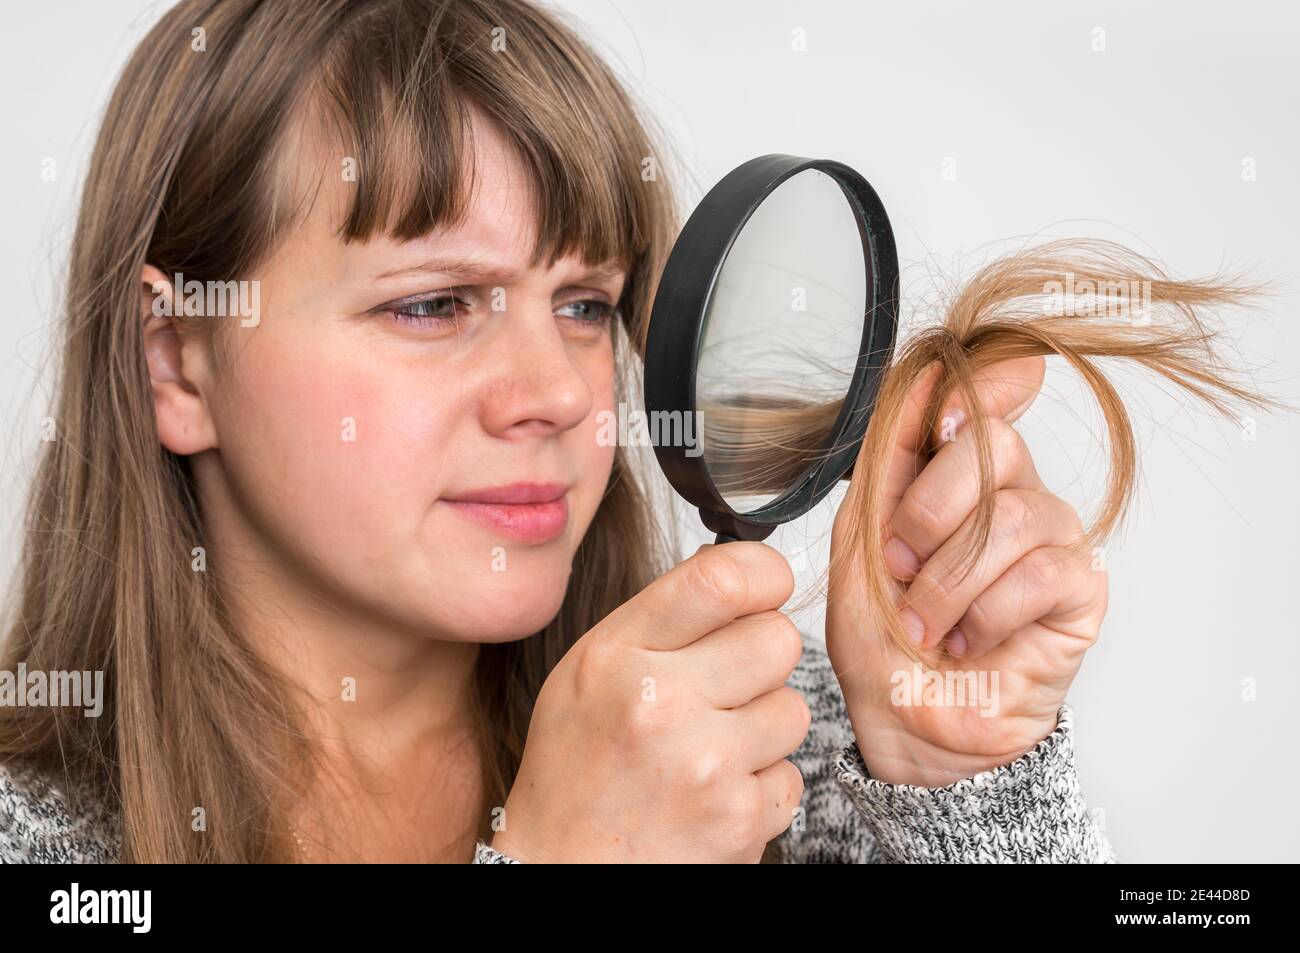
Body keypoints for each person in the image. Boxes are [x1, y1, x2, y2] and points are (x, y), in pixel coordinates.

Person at [0, 0, 1111, 863]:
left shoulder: (789, 735)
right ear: (177, 358)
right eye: (431, 303)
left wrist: (955, 785)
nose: (559, 393)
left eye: (584, 305)